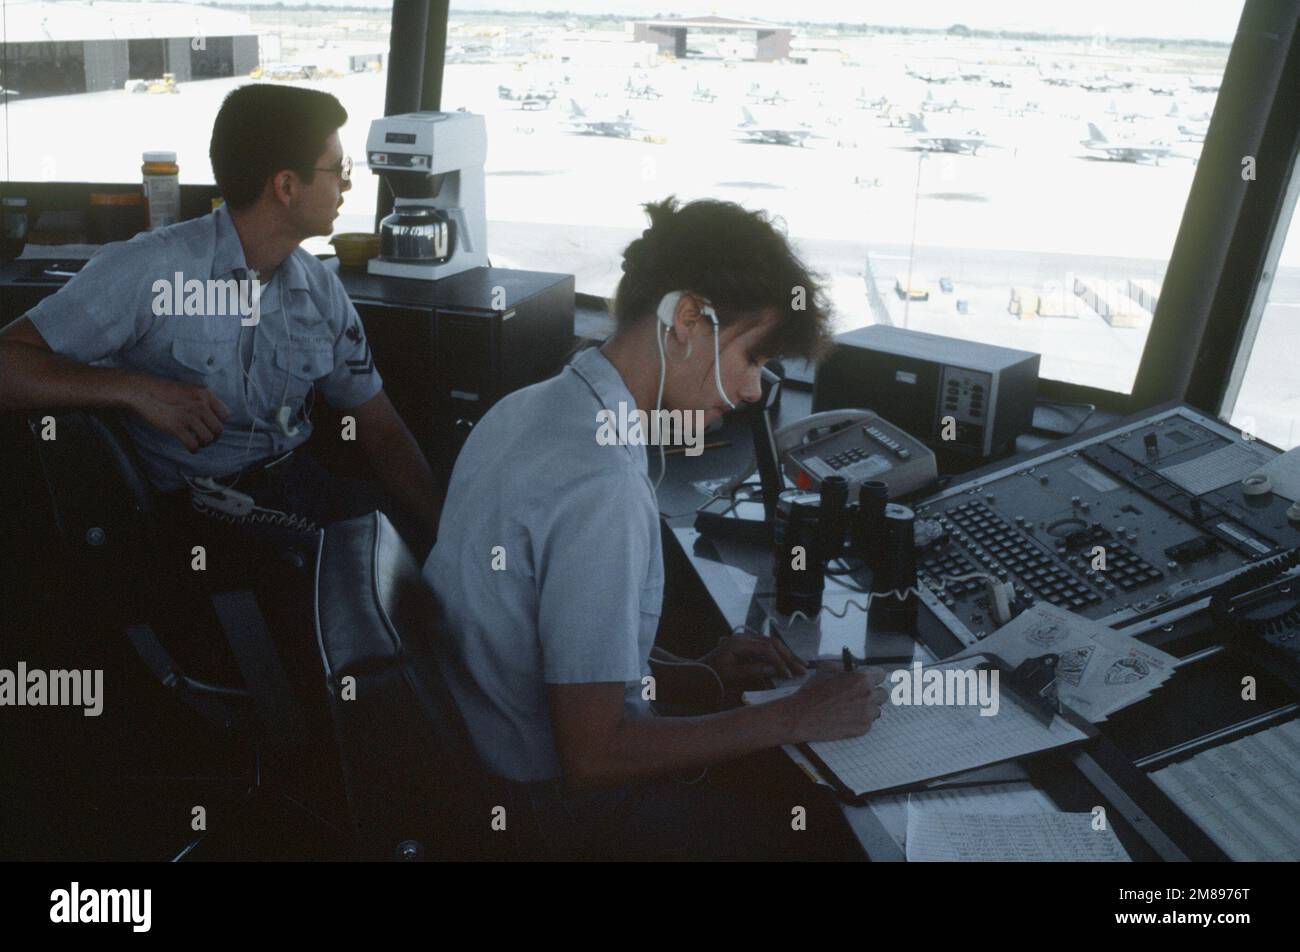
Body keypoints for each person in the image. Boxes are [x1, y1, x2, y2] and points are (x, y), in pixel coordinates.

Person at [425, 196, 888, 860]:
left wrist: (693, 674)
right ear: (688, 321)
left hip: (486, 761)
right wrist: (793, 715)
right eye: (754, 357)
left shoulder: (527, 409)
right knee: (827, 838)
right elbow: (594, 754)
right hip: (554, 813)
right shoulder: (599, 487)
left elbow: (541, 641)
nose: (756, 391)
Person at [0, 84, 440, 557]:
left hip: (301, 481)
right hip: (199, 511)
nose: (347, 185)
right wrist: (133, 388)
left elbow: (381, 430)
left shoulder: (318, 289)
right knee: (350, 569)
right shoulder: (151, 269)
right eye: (339, 170)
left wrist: (447, 530)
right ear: (287, 186)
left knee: (422, 545)